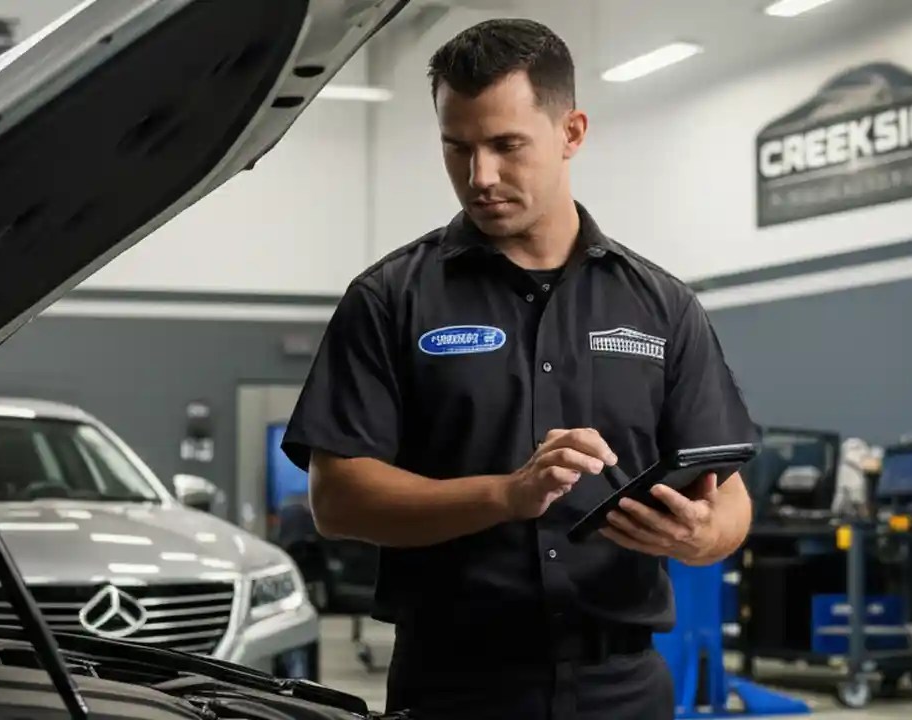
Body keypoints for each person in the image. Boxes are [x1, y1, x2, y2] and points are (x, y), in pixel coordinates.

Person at [282, 17, 757, 720]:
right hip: (455, 688)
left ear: (572, 133)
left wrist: (700, 536)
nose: (481, 177)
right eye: (458, 148)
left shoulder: (662, 306)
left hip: (623, 690)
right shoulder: (389, 300)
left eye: (507, 146)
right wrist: (506, 495)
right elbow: (339, 498)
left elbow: (733, 498)